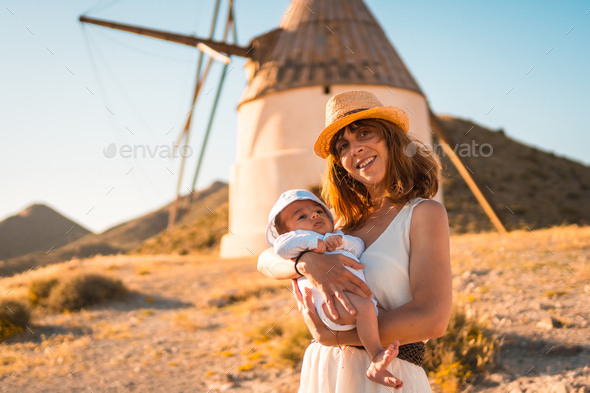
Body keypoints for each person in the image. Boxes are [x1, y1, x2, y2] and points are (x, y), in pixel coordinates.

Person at [258, 90, 452, 392]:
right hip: (327, 368)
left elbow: (432, 319)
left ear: (390, 139)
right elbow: (265, 260)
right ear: (340, 163)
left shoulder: (423, 213)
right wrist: (308, 263)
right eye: (344, 145)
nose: (356, 149)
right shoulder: (338, 223)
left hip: (387, 370)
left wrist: (336, 338)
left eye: (365, 133)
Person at [266, 189, 403, 389]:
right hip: (329, 304)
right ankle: (376, 358)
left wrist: (341, 241)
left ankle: (378, 353)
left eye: (318, 211)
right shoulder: (295, 241)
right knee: (365, 310)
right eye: (302, 216)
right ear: (287, 231)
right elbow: (280, 248)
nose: (313, 215)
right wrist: (314, 244)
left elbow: (358, 247)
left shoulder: (336, 236)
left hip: (352, 300)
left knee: (377, 314)